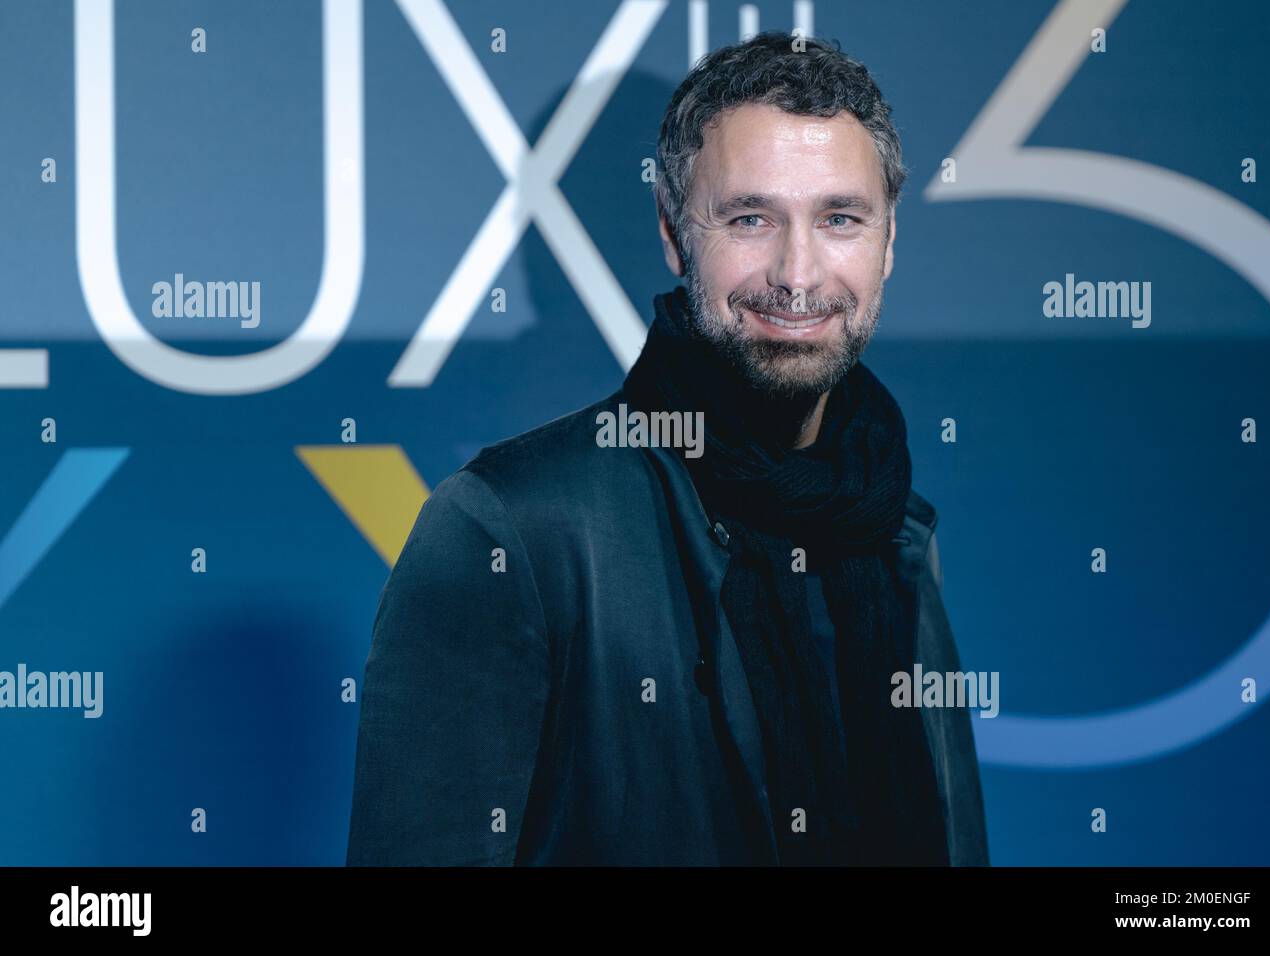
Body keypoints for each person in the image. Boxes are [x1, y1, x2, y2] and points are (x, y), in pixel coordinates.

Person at [346, 30, 988, 866]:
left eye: (839, 218)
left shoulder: (893, 530)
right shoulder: (510, 530)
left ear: (888, 241)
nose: (798, 274)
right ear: (675, 234)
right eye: (750, 218)